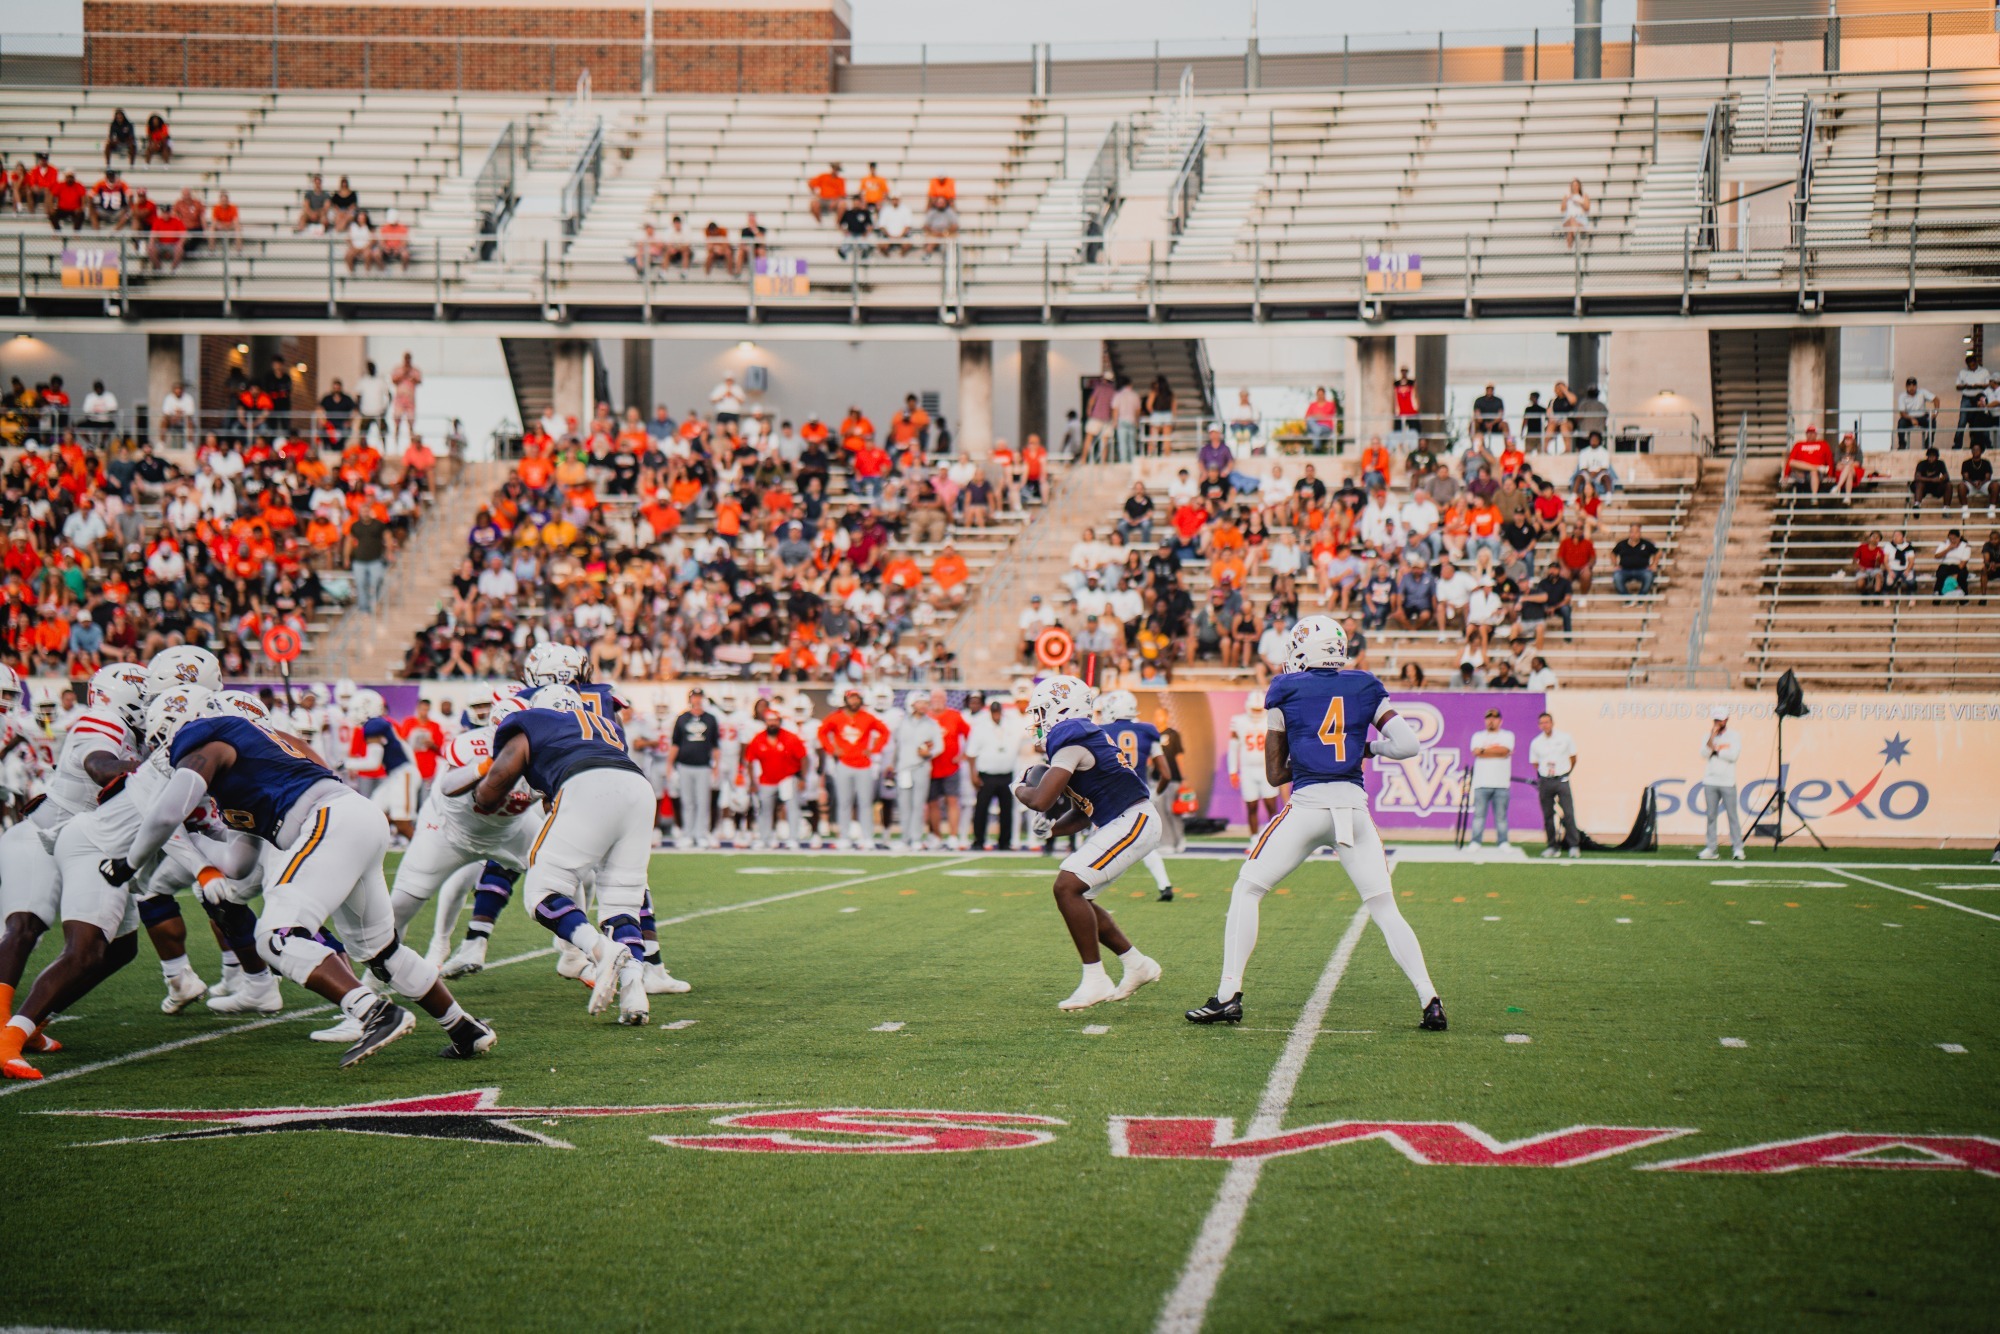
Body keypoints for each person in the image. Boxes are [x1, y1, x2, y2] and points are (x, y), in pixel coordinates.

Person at [111, 683, 494, 1068]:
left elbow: (164, 814)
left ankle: (373, 1012)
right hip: (352, 818)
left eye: (165, 738)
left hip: (328, 820)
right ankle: (463, 1027)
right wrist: (199, 838)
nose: (165, 750)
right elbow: (239, 864)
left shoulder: (207, 738)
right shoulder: (252, 765)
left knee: (276, 938)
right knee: (380, 951)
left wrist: (128, 864)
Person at [1185, 616, 1443, 1032]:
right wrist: (1365, 748)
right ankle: (1430, 998)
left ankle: (1228, 995)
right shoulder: (1365, 685)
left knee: (1247, 888)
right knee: (1383, 906)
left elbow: (1273, 774)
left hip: (1307, 806)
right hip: (1354, 808)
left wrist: (1309, 756)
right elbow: (1408, 744)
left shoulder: (1285, 687)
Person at [472, 688, 657, 1026]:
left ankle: (600, 950)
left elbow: (495, 783)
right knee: (622, 903)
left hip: (587, 783)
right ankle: (633, 990)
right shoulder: (605, 724)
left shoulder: (533, 720)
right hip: (638, 789)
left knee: (541, 892)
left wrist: (481, 794)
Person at [1013, 676, 1163, 1011]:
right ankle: (1137, 964)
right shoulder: (1081, 740)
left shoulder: (1072, 739)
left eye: (1041, 712)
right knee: (1081, 895)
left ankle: (1095, 979)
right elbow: (1083, 815)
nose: (1037, 721)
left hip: (1133, 819)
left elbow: (1039, 799)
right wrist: (1051, 831)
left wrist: (1017, 787)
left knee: (1066, 886)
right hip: (1123, 821)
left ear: (1060, 709)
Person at [392, 689, 538, 977]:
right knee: (409, 900)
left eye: (487, 706)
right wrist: (485, 768)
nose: (483, 712)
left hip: (504, 830)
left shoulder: (536, 749)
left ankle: (574, 953)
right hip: (449, 824)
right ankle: (433, 948)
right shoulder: (468, 742)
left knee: (569, 871)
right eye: (479, 706)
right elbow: (448, 785)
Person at [1096, 690, 1175, 901]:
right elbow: (1165, 774)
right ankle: (1164, 884)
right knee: (1144, 842)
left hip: (1111, 795)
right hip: (1140, 794)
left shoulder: (1101, 731)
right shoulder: (1147, 731)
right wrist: (1155, 795)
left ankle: (1085, 887)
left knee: (1099, 840)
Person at [818, 688, 890, 848]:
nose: (854, 702)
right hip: (844, 763)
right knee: (844, 802)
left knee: (865, 803)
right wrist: (831, 749)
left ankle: (867, 837)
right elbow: (822, 733)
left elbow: (884, 732)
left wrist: (874, 749)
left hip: (864, 764)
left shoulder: (868, 717)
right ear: (846, 700)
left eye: (857, 698)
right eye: (852, 698)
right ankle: (844, 836)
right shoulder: (836, 718)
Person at [744, 710, 809, 849]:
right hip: (767, 779)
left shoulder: (790, 737)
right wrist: (752, 782)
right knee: (764, 809)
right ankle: (764, 837)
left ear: (779, 721)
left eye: (775, 720)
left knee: (792, 808)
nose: (772, 723)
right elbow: (750, 761)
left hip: (787, 778)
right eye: (770, 720)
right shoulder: (758, 738)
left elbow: (803, 757)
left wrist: (803, 778)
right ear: (765, 722)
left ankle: (793, 838)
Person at [667, 687, 720, 848]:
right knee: (687, 801)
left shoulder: (710, 719)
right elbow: (675, 744)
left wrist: (716, 766)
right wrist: (669, 764)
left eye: (699, 697)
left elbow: (715, 746)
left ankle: (701, 833)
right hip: (684, 765)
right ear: (690, 699)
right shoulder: (682, 718)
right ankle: (687, 833)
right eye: (694, 697)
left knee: (702, 801)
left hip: (703, 765)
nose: (697, 700)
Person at [1228, 690, 1284, 835]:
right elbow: (1233, 748)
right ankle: (1254, 839)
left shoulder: (1271, 719)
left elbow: (1281, 744)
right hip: (1248, 769)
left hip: (1268, 767)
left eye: (1259, 709)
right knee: (1251, 806)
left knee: (1271, 805)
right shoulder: (1238, 721)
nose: (1257, 712)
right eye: (1255, 709)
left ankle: (1273, 836)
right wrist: (1232, 770)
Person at [892, 693, 942, 849]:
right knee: (904, 805)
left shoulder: (932, 724)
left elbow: (940, 746)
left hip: (921, 766)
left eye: (926, 703)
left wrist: (929, 754)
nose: (924, 706)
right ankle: (904, 838)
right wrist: (893, 766)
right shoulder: (901, 723)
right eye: (920, 703)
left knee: (918, 805)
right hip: (904, 768)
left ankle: (916, 838)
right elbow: (896, 746)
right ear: (912, 704)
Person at [1696, 705, 1745, 862]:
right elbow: (1704, 753)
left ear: (1726, 720)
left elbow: (1733, 755)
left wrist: (1716, 752)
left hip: (1728, 781)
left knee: (1732, 816)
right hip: (1710, 781)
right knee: (1711, 816)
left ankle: (1737, 848)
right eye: (1716, 719)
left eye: (1720, 719)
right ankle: (1711, 848)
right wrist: (1712, 737)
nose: (1718, 722)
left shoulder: (1734, 736)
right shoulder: (1707, 736)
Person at [1528, 712, 1580, 859]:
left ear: (1552, 723)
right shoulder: (1536, 742)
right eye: (1542, 723)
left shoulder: (1565, 738)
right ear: (1539, 726)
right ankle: (1552, 846)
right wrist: (1545, 773)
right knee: (1548, 815)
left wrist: (1566, 772)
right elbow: (1535, 763)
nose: (1545, 725)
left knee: (1568, 813)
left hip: (1562, 779)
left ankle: (1574, 846)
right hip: (1546, 781)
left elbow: (1573, 757)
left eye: (1547, 722)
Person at [1467, 708, 1514, 849]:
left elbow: (1504, 751)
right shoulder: (1478, 736)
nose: (1491, 721)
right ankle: (1475, 841)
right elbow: (1476, 752)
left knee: (1501, 817)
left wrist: (1484, 750)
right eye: (1488, 718)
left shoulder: (1507, 735)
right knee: (1479, 816)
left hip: (1501, 783)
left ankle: (1503, 841)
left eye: (1494, 718)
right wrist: (1492, 751)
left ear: (1500, 720)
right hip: (1481, 782)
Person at [1611, 523, 1660, 599]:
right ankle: (1627, 599)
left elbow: (1658, 552)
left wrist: (1654, 564)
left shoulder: (1646, 544)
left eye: (1636, 532)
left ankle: (1640, 598)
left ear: (1640, 533)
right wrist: (1615, 564)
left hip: (1642, 570)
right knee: (1617, 576)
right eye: (1632, 531)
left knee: (1649, 575)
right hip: (1625, 570)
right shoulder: (1622, 544)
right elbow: (1613, 553)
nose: (1634, 534)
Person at [1896, 376, 1938, 451]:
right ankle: (1902, 444)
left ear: (1916, 386)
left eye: (1914, 385)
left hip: (1922, 417)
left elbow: (1936, 399)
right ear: (1906, 386)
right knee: (1901, 422)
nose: (1912, 388)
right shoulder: (1902, 396)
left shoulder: (1922, 392)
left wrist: (1935, 412)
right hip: (1909, 418)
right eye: (1909, 385)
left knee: (1933, 422)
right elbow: (1902, 413)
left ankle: (1928, 444)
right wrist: (1911, 418)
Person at [1560, 178, 1593, 249]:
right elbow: (1562, 209)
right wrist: (1566, 200)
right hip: (1568, 218)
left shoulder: (1584, 196)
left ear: (1579, 186)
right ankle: (1577, 244)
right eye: (1573, 185)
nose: (1574, 187)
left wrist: (1579, 202)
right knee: (1571, 220)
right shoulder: (1567, 195)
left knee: (1570, 230)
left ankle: (1569, 248)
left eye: (1576, 185)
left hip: (1580, 219)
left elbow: (1587, 208)